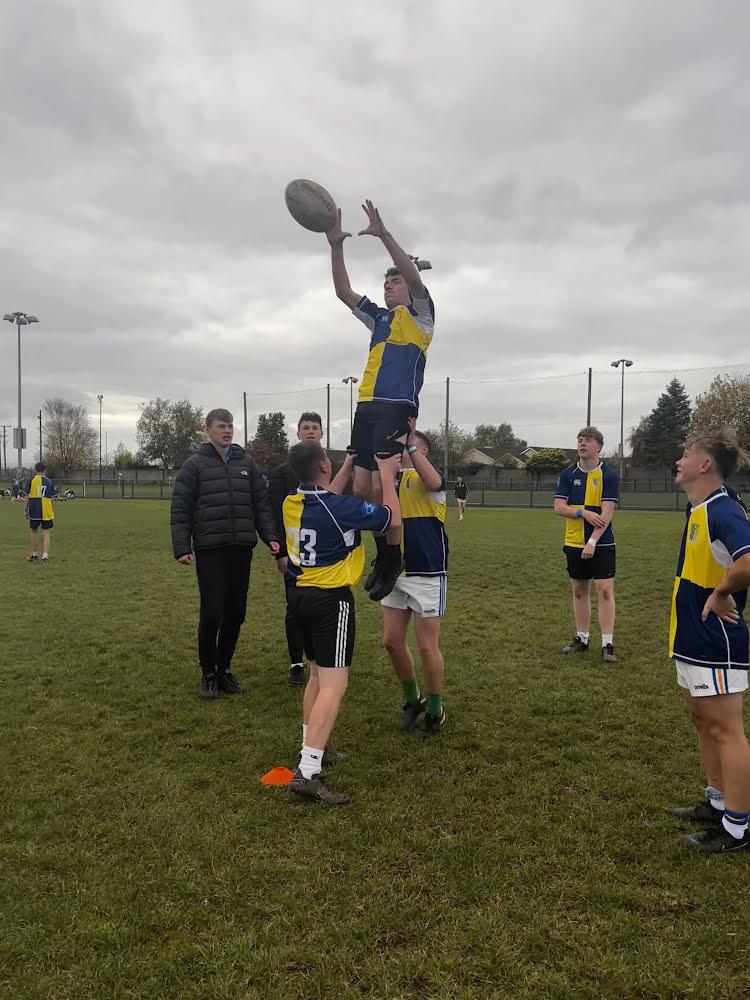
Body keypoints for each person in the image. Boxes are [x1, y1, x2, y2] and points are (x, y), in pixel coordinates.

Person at [325, 199, 434, 602]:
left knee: (385, 483)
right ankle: (383, 555)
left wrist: (385, 235)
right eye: (386, 282)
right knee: (363, 486)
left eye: (395, 281)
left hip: (395, 406)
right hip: (367, 405)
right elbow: (341, 290)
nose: (389, 285)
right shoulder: (379, 319)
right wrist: (335, 244)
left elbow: (413, 278)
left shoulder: (422, 316)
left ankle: (392, 559)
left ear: (410, 286)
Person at [283, 441, 401, 806]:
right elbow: (391, 518)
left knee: (317, 678)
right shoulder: (340, 507)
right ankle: (308, 772)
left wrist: (349, 464)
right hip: (330, 602)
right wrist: (385, 473)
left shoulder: (291, 502)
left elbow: (326, 495)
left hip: (300, 597)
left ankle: (311, 749)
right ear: (322, 466)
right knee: (335, 685)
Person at [668, 430, 750, 853]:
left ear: (705, 465)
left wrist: (721, 594)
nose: (678, 460)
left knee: (726, 729)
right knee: (704, 721)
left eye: (686, 454)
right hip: (692, 637)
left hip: (717, 639)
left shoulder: (723, 509)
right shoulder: (700, 509)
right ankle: (718, 802)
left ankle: (738, 828)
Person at [170, 408, 280, 700]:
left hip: (241, 548)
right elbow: (180, 509)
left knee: (236, 612)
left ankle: (224, 669)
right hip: (210, 550)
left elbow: (261, 504)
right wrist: (182, 546)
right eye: (221, 426)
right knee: (212, 613)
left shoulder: (247, 463)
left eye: (230, 426)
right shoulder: (194, 466)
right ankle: (207, 673)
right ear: (208, 430)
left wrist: (270, 535)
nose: (227, 431)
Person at [381, 426, 448, 738]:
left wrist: (409, 447)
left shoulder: (431, 481)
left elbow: (433, 480)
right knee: (392, 642)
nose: (405, 449)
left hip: (427, 573)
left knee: (426, 646)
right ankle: (413, 700)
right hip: (395, 573)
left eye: (413, 445)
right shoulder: (389, 480)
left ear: (424, 452)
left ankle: (436, 710)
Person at [269, 411, 326, 688]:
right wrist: (279, 552)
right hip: (294, 555)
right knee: (295, 608)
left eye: (315, 427)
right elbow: (274, 515)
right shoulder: (282, 473)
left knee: (323, 607)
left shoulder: (331, 468)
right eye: (306, 427)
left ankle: (321, 659)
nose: (311, 431)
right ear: (298, 433)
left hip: (327, 555)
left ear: (322, 433)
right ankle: (296, 663)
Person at [553, 427, 620, 662]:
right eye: (580, 440)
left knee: (603, 590)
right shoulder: (568, 474)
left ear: (598, 447)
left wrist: (592, 541)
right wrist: (583, 513)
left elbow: (607, 513)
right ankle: (582, 638)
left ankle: (607, 644)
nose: (582, 443)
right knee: (579, 591)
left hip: (601, 544)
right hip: (573, 542)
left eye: (588, 440)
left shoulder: (609, 475)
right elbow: (559, 507)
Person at [24, 462, 55, 563]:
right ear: (45, 470)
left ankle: (34, 555)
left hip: (34, 508)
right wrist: (51, 510)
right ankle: (45, 557)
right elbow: (51, 498)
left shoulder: (31, 480)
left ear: (36, 469)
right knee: (46, 533)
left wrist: (25, 509)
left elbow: (26, 496)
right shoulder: (49, 481)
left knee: (33, 531)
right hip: (46, 509)